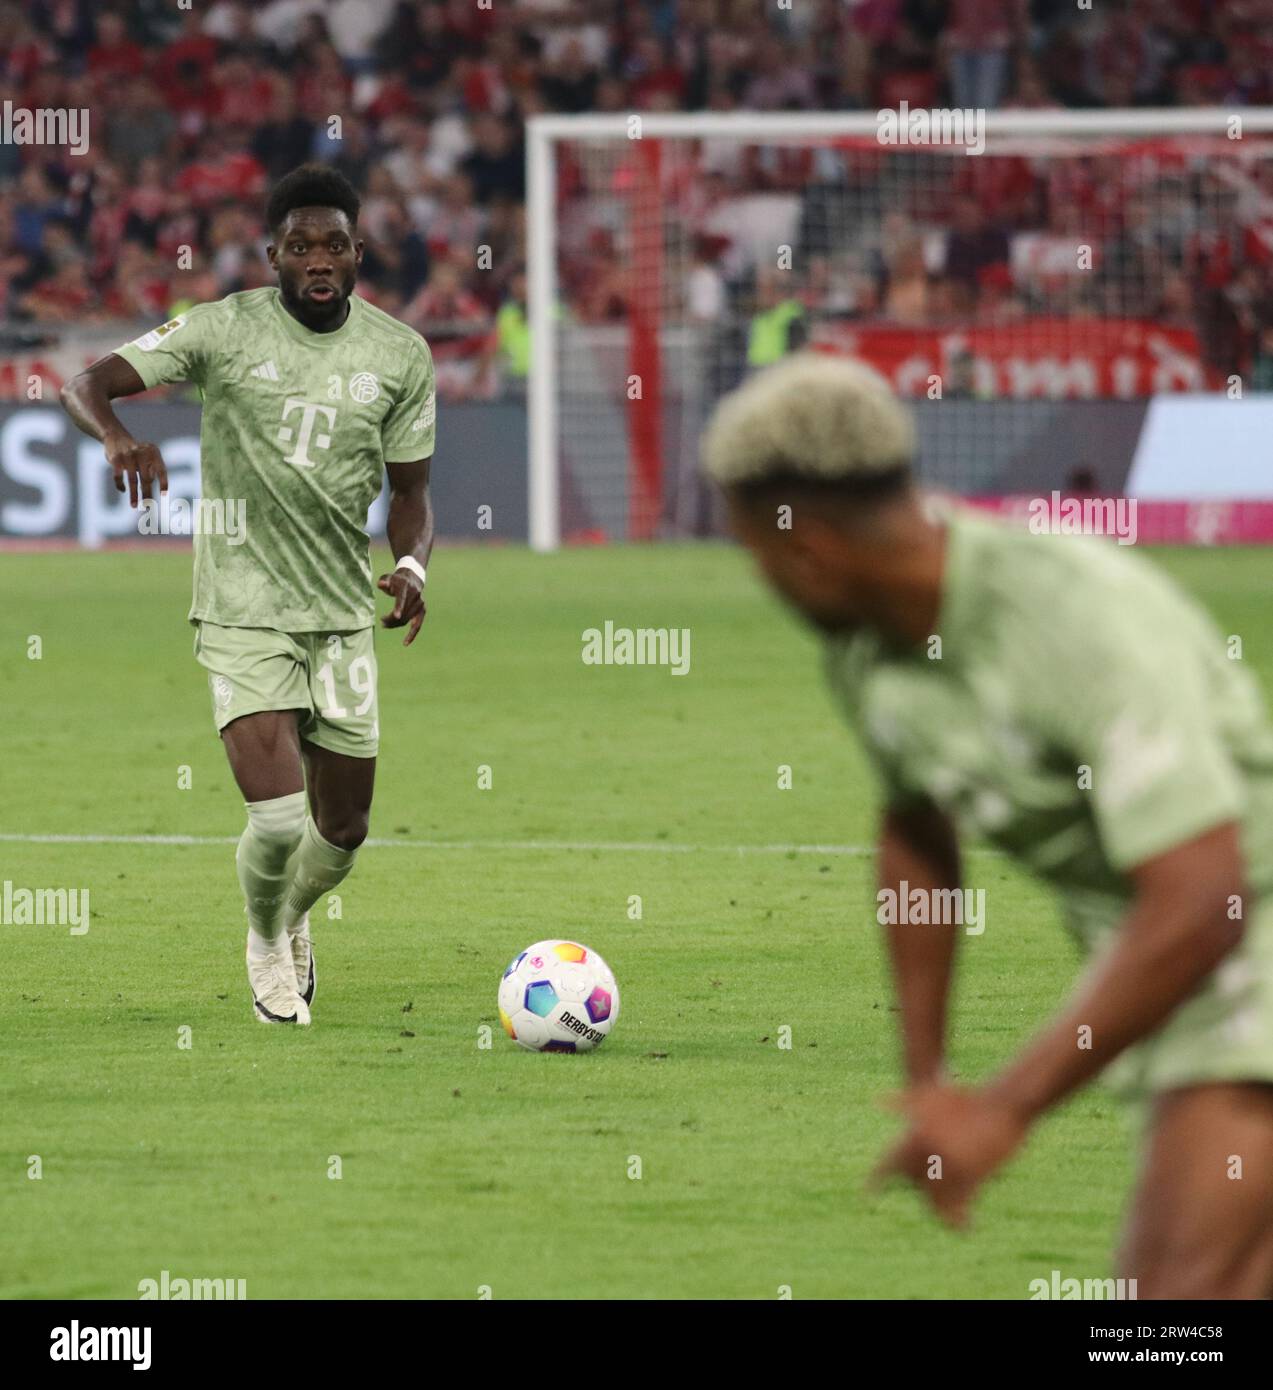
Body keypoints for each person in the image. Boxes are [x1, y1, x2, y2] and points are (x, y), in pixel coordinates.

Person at [702, 353, 1273, 1298]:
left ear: (806, 550)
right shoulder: (865, 651)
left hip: (1239, 944)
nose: (762, 583)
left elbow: (1202, 895)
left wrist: (1002, 1111)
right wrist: (929, 1079)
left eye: (755, 555)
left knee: (1174, 1305)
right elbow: (917, 829)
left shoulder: (1073, 621)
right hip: (1195, 966)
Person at [60, 164, 437, 1026]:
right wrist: (117, 436)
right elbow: (88, 384)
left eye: (333, 245)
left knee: (341, 835)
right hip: (240, 604)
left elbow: (412, 491)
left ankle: (293, 912)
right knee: (273, 825)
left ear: (357, 255)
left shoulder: (398, 354)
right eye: (298, 244)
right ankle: (266, 937)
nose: (316, 258)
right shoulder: (223, 329)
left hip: (341, 614)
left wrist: (412, 566)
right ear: (271, 254)